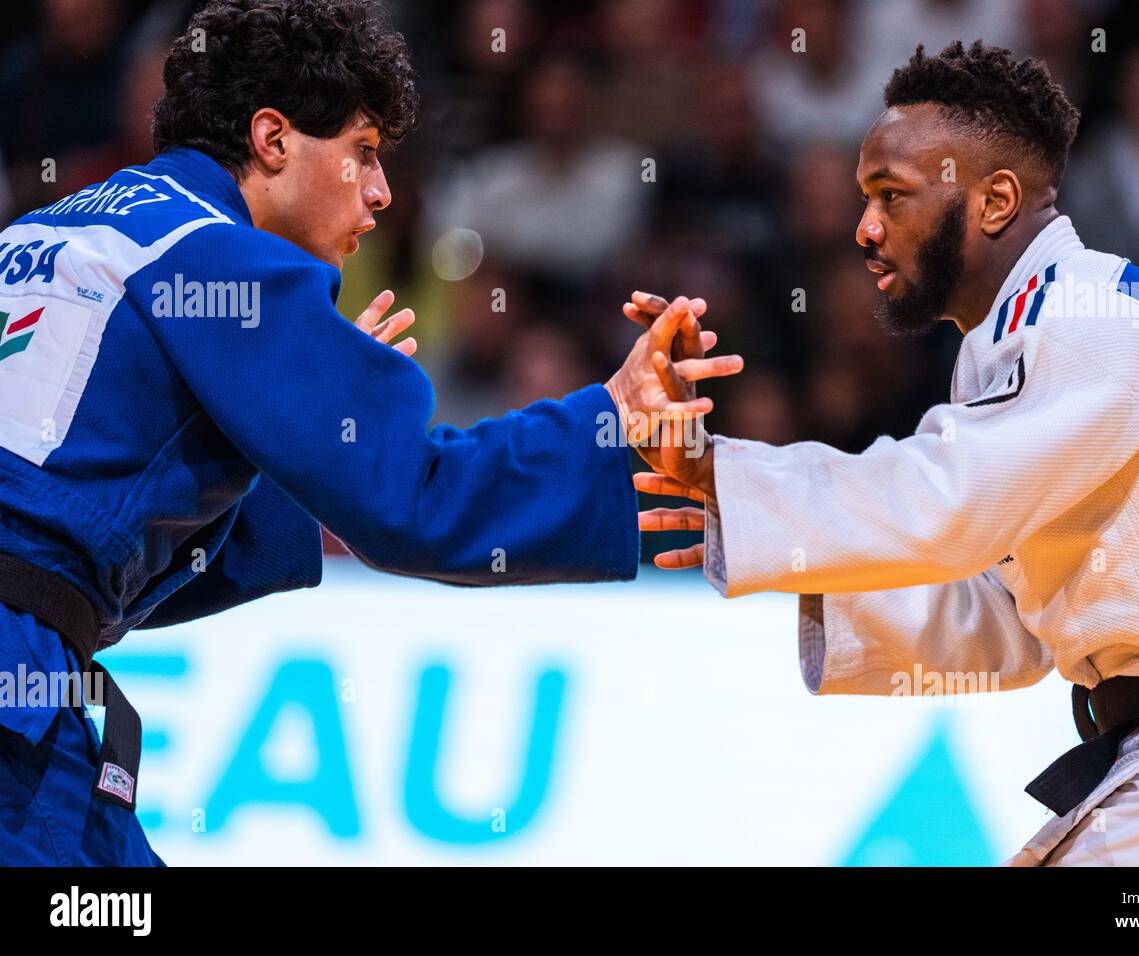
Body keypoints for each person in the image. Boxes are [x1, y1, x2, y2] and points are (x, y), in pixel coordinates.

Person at [0, 0, 740, 866]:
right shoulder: (224, 260)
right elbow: (415, 500)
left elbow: (83, 539)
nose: (383, 192)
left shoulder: (48, 231)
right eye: (361, 152)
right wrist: (609, 417)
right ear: (273, 139)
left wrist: (301, 431)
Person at [629, 41, 1139, 866]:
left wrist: (723, 471)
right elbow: (1013, 622)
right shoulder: (1024, 331)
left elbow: (944, 504)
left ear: (994, 201)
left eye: (892, 196)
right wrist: (784, 549)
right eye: (864, 197)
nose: (865, 229)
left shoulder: (1084, 319)